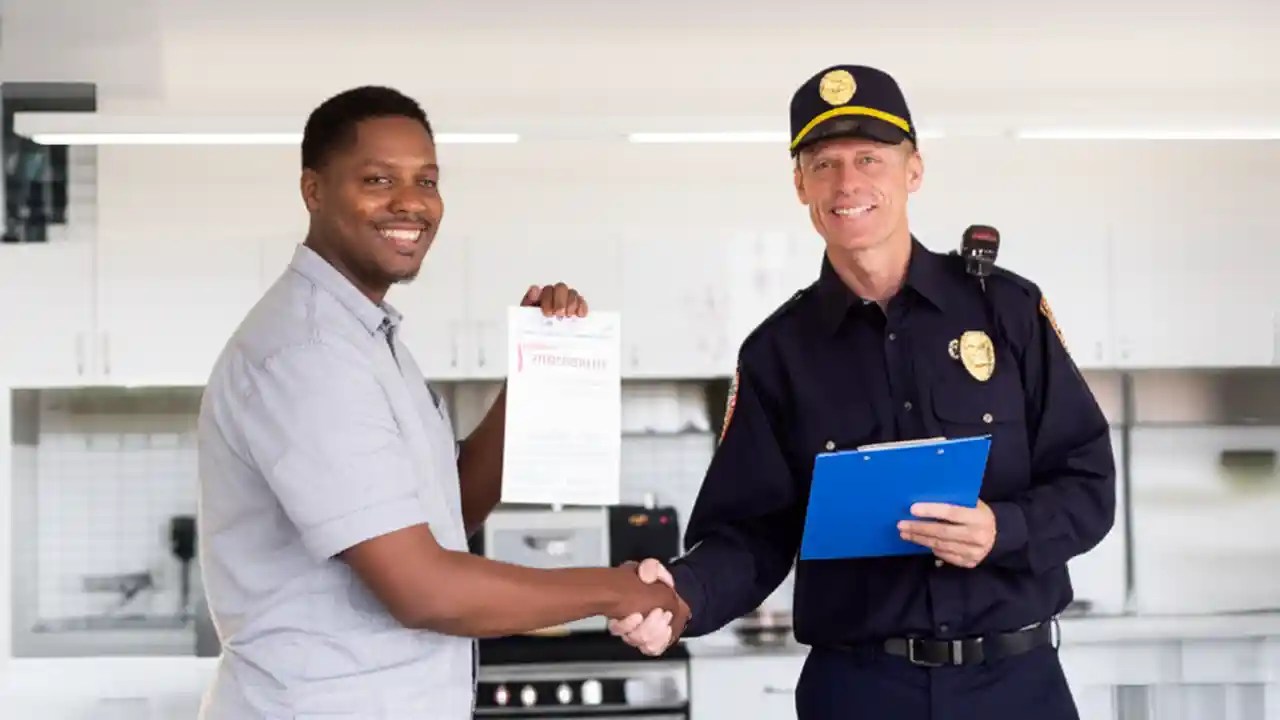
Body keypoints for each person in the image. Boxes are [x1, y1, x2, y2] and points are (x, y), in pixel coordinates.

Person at [608, 64, 1116, 720]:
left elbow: (1088, 483)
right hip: (859, 691)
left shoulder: (1008, 313)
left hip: (1016, 686)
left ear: (914, 171)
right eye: (824, 163)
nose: (848, 183)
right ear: (799, 184)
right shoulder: (778, 353)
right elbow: (753, 533)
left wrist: (1003, 529)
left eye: (870, 158)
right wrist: (681, 594)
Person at [195, 85, 686, 720]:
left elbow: (452, 506)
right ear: (313, 191)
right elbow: (421, 588)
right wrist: (612, 589)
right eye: (378, 179)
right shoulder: (309, 354)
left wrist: (534, 379)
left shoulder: (367, 339)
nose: (411, 203)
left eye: (426, 180)